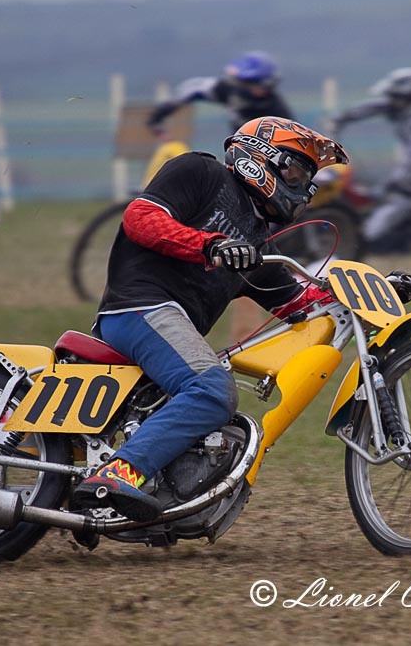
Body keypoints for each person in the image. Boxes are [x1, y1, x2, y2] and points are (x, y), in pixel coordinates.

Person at [73, 117, 348, 522]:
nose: (302, 185)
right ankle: (119, 473)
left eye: (306, 179)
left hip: (162, 326)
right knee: (212, 390)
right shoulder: (200, 172)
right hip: (137, 308)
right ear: (261, 157)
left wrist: (365, 295)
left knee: (209, 394)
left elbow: (303, 302)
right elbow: (140, 218)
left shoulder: (257, 244)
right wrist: (212, 245)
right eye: (296, 171)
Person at [331, 67, 411, 249]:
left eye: (395, 98)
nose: (391, 103)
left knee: (399, 200)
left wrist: (392, 183)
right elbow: (375, 107)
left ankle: (362, 241)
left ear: (406, 98)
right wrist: (342, 118)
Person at [147, 51, 295, 135]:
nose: (258, 90)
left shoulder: (277, 110)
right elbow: (193, 88)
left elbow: (292, 137)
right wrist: (159, 116)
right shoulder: (229, 90)